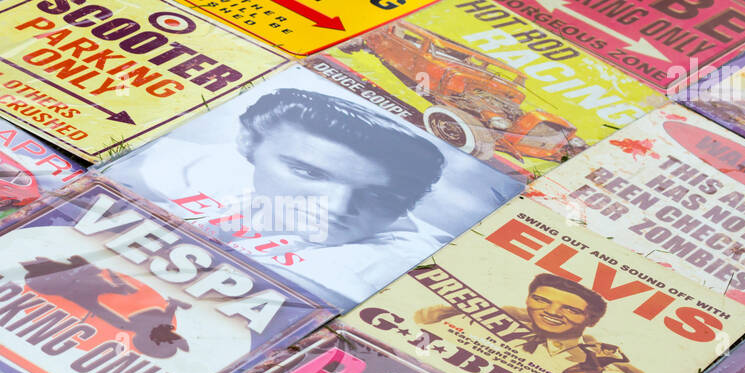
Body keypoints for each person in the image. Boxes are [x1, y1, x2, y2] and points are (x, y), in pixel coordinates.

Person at [109, 86, 509, 307]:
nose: (335, 209)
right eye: (307, 173)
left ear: (412, 201)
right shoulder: (181, 164)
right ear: (247, 142)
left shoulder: (386, 265)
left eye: (380, 197)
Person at [416, 273, 658, 373]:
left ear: (591, 321)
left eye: (570, 309)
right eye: (541, 300)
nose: (551, 313)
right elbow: (418, 346)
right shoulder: (473, 324)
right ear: (528, 300)